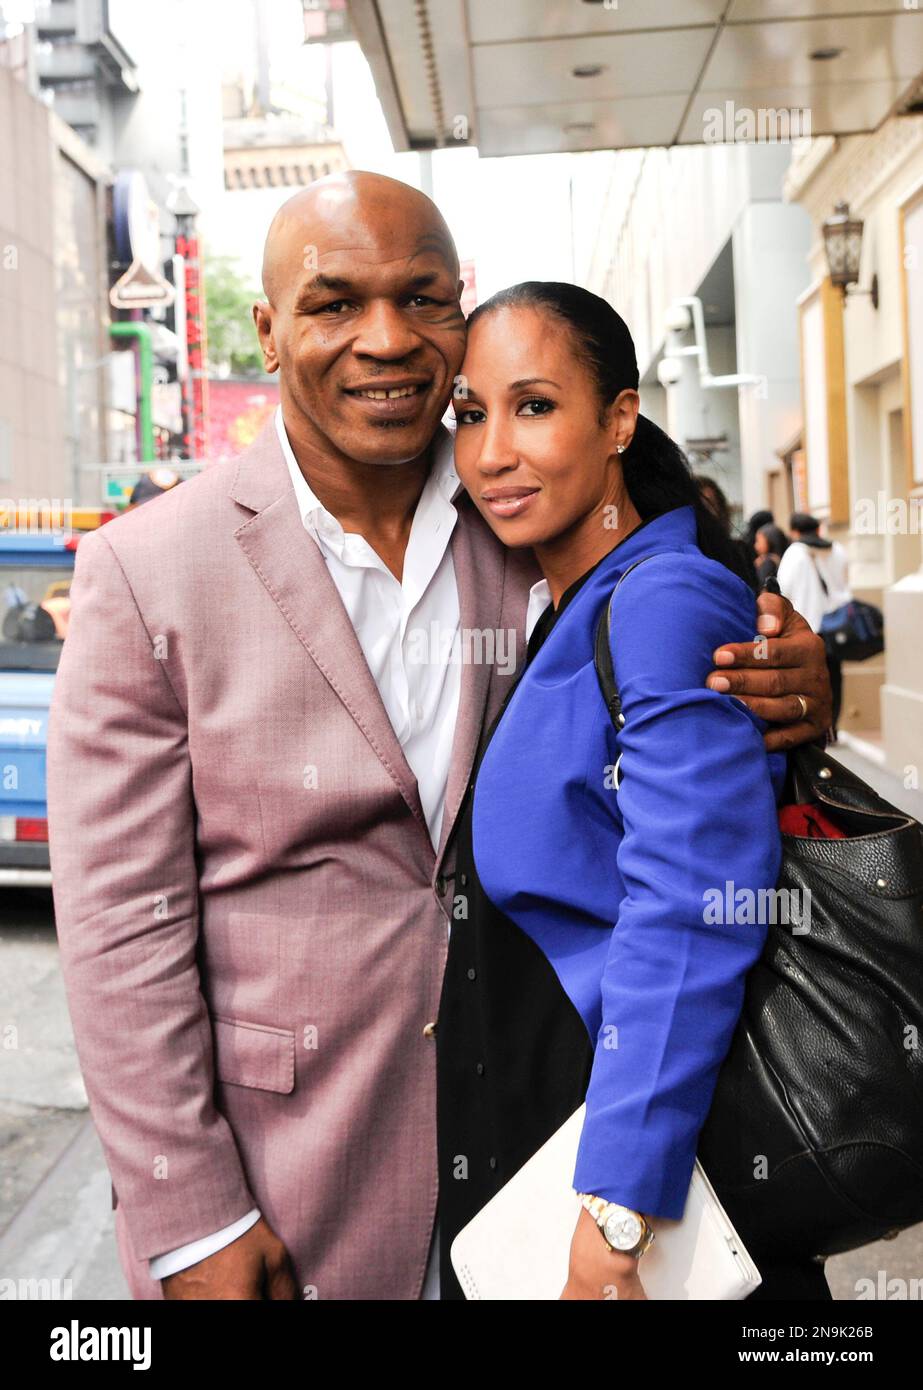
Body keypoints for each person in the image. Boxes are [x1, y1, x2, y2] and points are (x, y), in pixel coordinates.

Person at [47, 173, 833, 1303]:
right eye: (333, 304)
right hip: (288, 1192)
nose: (383, 339)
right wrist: (188, 1219)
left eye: (421, 299)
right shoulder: (147, 572)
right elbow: (121, 928)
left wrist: (797, 684)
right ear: (265, 331)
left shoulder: (523, 519)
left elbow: (674, 705)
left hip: (542, 1159)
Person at [437, 280, 832, 1301]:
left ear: (618, 419)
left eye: (532, 406)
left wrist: (615, 1211)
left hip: (646, 1187)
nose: (490, 452)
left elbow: (694, 899)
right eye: (469, 415)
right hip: (558, 1153)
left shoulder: (655, 599)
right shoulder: (570, 598)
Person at [776, 512, 851, 738]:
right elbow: (846, 581)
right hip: (836, 625)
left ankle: (818, 728)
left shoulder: (794, 553)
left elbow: (783, 589)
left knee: (811, 680)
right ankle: (834, 727)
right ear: (817, 529)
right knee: (835, 678)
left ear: (795, 531)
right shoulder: (837, 550)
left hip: (808, 627)